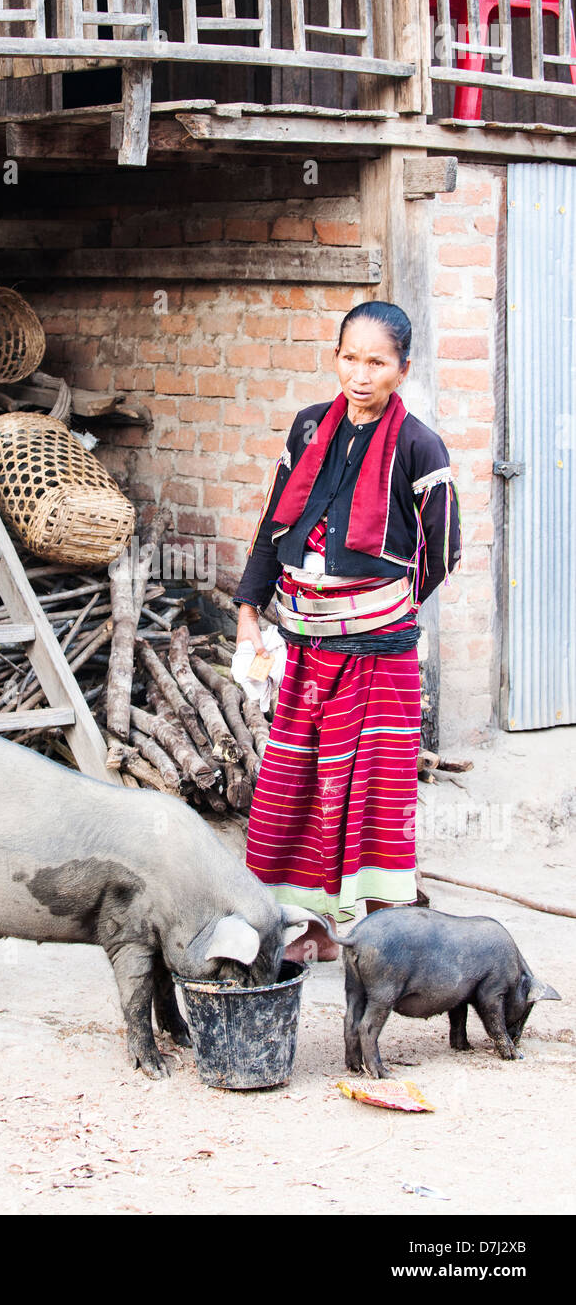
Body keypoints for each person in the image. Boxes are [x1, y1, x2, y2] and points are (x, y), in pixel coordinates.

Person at [233, 301, 461, 961]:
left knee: (364, 789)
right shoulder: (308, 428)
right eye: (348, 357)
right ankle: (301, 929)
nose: (359, 374)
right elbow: (273, 525)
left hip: (377, 652)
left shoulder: (419, 444)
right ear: (335, 358)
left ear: (402, 368)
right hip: (301, 643)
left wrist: (378, 611)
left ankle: (371, 932)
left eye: (376, 361)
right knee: (293, 783)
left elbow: (441, 550)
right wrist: (249, 610)